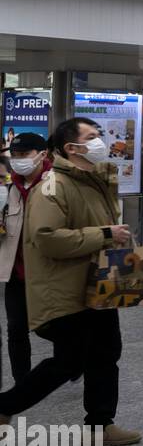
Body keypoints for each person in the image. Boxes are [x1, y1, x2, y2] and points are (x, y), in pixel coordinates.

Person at [0, 118, 140, 445]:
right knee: (70, 359)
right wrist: (104, 234)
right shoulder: (54, 185)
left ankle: (100, 425)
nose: (99, 142)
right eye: (91, 137)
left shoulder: (95, 179)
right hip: (67, 289)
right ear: (71, 148)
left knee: (106, 352)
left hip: (97, 284)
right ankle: (5, 405)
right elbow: (47, 237)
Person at [0, 133, 51, 381]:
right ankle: (22, 382)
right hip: (17, 274)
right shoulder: (9, 190)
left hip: (50, 275)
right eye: (15, 155)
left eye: (25, 155)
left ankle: (75, 358)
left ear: (43, 155)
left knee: (49, 327)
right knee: (16, 329)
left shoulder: (57, 184)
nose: (19, 160)